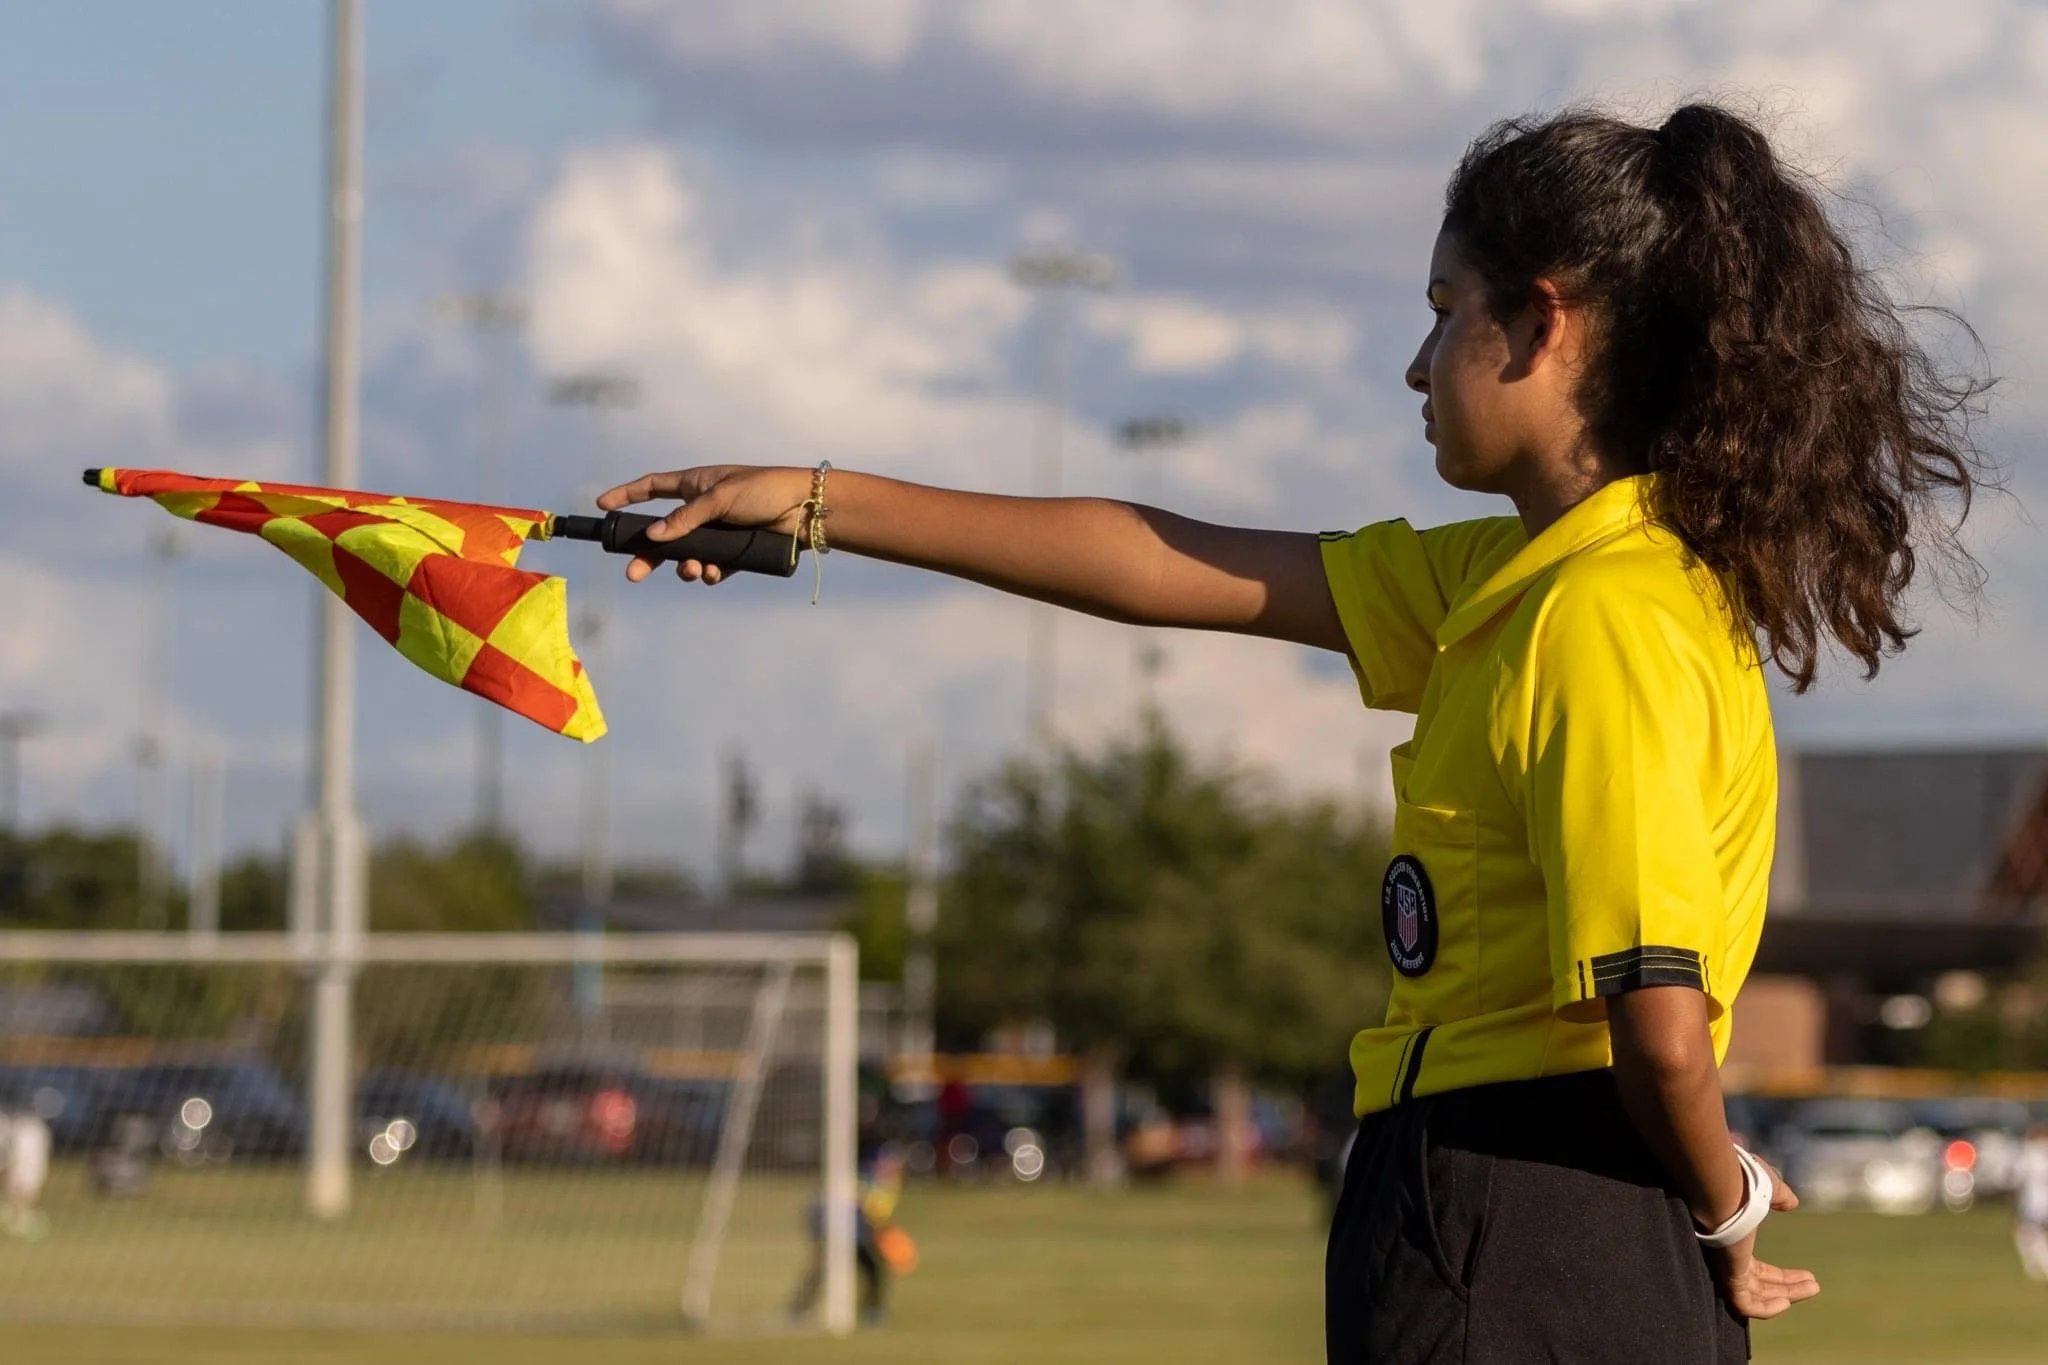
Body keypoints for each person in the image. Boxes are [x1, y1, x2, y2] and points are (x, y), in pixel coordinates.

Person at [602, 100, 1985, 1363]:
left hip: (1524, 1222)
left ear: (1542, 325)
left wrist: (1724, 1206)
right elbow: (1163, 562)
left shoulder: (1600, 613)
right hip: (1537, 1214)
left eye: (1444, 311)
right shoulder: (1527, 581)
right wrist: (822, 501)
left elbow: (1662, 1031)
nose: (1415, 363)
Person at [2015, 1123, 2048, 1283]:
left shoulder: (2031, 1152)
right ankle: (2033, 1266)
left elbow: (2017, 1174)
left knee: (2030, 1233)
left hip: (2035, 1201)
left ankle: (2041, 1265)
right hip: (2039, 1201)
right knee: (2027, 1233)